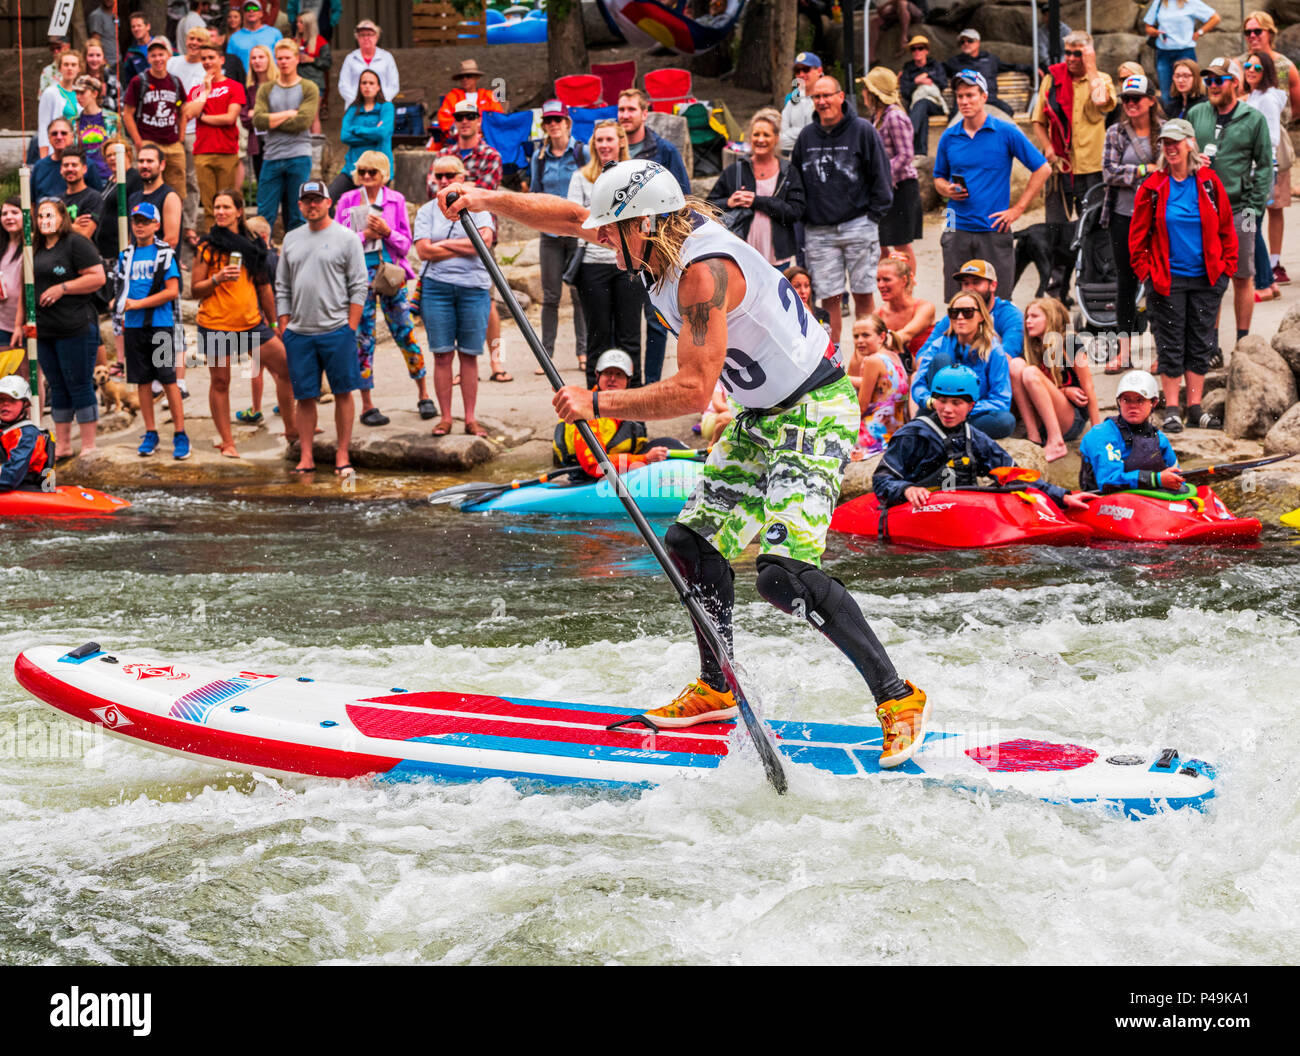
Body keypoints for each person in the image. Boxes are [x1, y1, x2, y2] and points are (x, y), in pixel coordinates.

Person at [441, 159, 930, 766]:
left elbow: (695, 390)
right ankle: (717, 685)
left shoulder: (704, 273)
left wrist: (599, 401)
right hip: (760, 414)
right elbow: (568, 216)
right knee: (690, 543)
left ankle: (898, 696)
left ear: (642, 225)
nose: (602, 239)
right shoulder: (648, 241)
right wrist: (484, 196)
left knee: (783, 577)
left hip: (816, 408)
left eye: (612, 230)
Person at [1130, 118, 1236, 432]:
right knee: (1170, 343)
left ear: (1190, 143)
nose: (1170, 147)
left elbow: (1227, 228)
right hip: (1166, 279)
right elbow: (1137, 238)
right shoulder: (1153, 186)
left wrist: (1225, 270)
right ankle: (1173, 408)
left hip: (1206, 278)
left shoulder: (1209, 182)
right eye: (1165, 142)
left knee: (1200, 342)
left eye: (1176, 141)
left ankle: (1195, 407)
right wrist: (1146, 273)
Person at [876, 364, 1094, 511]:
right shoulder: (913, 435)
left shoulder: (975, 438)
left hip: (961, 513)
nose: (947, 410)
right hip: (917, 512)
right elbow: (882, 479)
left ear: (971, 406)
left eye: (956, 403)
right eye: (942, 401)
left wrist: (1062, 497)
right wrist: (906, 489)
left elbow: (1013, 475)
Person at [192, 188, 296, 458]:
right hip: (216, 324)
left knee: (286, 368)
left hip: (251, 324)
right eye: (216, 208)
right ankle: (228, 442)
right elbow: (195, 289)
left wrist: (275, 325)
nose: (220, 212)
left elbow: (264, 289)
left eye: (226, 207)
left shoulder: (253, 246)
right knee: (221, 382)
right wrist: (217, 279)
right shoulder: (207, 245)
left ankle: (292, 431)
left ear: (239, 211)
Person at [791, 75, 893, 342]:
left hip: (858, 223)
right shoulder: (806, 136)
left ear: (841, 96)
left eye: (827, 95)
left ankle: (867, 352)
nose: (822, 102)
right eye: (817, 97)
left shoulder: (862, 130)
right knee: (829, 298)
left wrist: (874, 217)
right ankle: (834, 362)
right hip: (819, 231)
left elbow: (881, 176)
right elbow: (796, 182)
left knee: (863, 292)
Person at [934, 70, 1051, 302]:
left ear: (984, 97)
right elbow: (938, 177)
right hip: (955, 226)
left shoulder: (1005, 132)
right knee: (957, 299)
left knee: (998, 300)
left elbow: (1043, 169)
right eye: (960, 96)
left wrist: (1018, 209)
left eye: (970, 95)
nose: (965, 101)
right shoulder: (949, 136)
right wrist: (945, 189)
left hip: (993, 228)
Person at [276, 179, 368, 475]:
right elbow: (282, 285)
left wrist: (350, 327)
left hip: (337, 329)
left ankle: (342, 454)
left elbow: (359, 285)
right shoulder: (291, 238)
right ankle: (306, 457)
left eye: (318, 200)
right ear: (300, 205)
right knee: (304, 396)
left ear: (329, 202)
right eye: (307, 200)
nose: (312, 205)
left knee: (343, 391)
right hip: (299, 333)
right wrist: (284, 323)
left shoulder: (347, 238)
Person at [336, 150, 433, 425]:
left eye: (372, 172)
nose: (366, 177)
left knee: (405, 331)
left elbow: (406, 243)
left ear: (383, 176)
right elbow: (337, 241)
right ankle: (367, 404)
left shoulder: (396, 200)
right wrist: (363, 235)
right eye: (362, 172)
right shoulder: (347, 200)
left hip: (388, 271)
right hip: (358, 275)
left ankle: (424, 394)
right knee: (363, 339)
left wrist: (388, 231)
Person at [1187, 58, 1271, 345]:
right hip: (1203, 209)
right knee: (1210, 278)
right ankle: (1210, 344)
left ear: (1234, 83)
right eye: (1208, 80)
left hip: (1240, 209)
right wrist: (1193, 161)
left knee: (1243, 275)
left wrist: (1254, 206)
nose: (1211, 85)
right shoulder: (1196, 114)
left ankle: (1243, 341)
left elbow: (1264, 165)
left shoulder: (1253, 118)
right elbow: (1180, 154)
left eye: (1218, 80)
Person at [1030, 31, 1117, 303]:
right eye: (1067, 52)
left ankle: (1091, 288)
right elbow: (1037, 120)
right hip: (1060, 170)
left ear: (1089, 54)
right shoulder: (1052, 78)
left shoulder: (1102, 80)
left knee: (1093, 229)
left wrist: (1091, 69)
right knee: (1055, 230)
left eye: (1077, 53)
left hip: (1093, 169)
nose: (1070, 58)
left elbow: (1102, 102)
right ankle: (1056, 293)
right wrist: (1048, 147)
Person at [414, 157, 495, 438]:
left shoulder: (478, 206)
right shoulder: (426, 211)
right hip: (438, 287)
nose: (445, 180)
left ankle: (470, 418)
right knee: (442, 354)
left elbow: (483, 242)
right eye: (440, 176)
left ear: (462, 177)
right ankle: (446, 417)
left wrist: (442, 244)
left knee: (470, 355)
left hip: (473, 286)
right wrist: (464, 246)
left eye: (451, 175)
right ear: (433, 179)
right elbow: (423, 251)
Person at [619, 88, 692, 383]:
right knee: (625, 322)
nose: (625, 115)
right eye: (621, 110)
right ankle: (627, 383)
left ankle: (651, 383)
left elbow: (683, 198)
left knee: (656, 320)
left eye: (631, 110)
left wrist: (664, 233)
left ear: (644, 113)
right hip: (622, 247)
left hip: (654, 248)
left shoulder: (664, 151)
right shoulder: (614, 151)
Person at [567, 122, 642, 387]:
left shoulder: (635, 175)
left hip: (629, 265)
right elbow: (576, 219)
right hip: (593, 265)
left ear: (621, 141)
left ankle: (634, 414)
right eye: (599, 140)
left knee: (629, 338)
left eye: (609, 139)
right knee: (597, 337)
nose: (604, 145)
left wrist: (601, 217)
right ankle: (594, 409)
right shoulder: (581, 177)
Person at [437, 99, 508, 382]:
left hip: (482, 232)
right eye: (460, 117)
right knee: (455, 300)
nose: (464, 121)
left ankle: (497, 363)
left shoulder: (491, 155)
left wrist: (453, 186)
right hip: (449, 231)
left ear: (479, 120)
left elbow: (483, 194)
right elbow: (435, 189)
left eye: (470, 116)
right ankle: (463, 369)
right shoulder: (445, 153)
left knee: (488, 302)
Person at [33, 199, 106, 459]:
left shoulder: (76, 243)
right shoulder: (36, 247)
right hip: (45, 329)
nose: (45, 220)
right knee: (57, 386)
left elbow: (98, 277)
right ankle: (63, 444)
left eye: (50, 215)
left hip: (76, 326)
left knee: (79, 384)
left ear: (63, 218)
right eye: (41, 215)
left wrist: (63, 287)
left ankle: (88, 444)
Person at [115, 202, 188, 459]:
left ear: (156, 225)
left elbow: (172, 291)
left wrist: (139, 304)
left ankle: (180, 433)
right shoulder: (125, 255)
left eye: (145, 221)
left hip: (160, 325)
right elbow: (121, 290)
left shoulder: (164, 254)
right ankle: (150, 431)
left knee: (169, 379)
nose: (139, 225)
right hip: (134, 326)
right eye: (136, 221)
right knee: (142, 381)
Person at [1101, 73, 1163, 373]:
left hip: (1158, 218)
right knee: (1125, 282)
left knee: (1156, 282)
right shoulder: (1115, 132)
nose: (1130, 104)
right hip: (1123, 216)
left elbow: (1168, 171)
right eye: (1125, 99)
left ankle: (1159, 350)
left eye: (1136, 98)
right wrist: (1143, 169)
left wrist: (1150, 172)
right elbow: (1108, 173)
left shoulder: (1165, 131)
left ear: (1151, 100)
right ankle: (1123, 352)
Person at [551, 349, 683, 475]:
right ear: (598, 376)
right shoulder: (586, 410)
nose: (613, 378)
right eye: (608, 373)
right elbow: (595, 464)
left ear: (628, 380)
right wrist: (645, 459)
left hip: (617, 464)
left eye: (619, 374)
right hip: (587, 473)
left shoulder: (628, 405)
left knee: (669, 444)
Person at [529, 100, 588, 372]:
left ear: (567, 123)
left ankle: (583, 353)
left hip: (577, 233)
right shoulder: (539, 158)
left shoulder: (582, 153)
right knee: (550, 296)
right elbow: (535, 193)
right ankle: (546, 354)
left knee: (579, 294)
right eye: (548, 121)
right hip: (550, 234)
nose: (553, 125)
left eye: (557, 120)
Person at [705, 108, 804, 270]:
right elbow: (707, 207)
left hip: (778, 258)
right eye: (756, 134)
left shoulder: (789, 172)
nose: (760, 140)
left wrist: (757, 201)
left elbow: (796, 211)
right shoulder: (735, 170)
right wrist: (729, 202)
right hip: (740, 255)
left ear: (776, 138)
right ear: (750, 137)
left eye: (766, 135)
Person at [911, 289, 1015, 439]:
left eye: (967, 312)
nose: (960, 317)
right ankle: (948, 430)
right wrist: (930, 401)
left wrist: (964, 408)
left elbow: (1001, 400)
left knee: (1006, 421)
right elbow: (918, 384)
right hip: (939, 411)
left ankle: (942, 432)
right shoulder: (939, 344)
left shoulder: (994, 351)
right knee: (941, 360)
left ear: (980, 316)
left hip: (972, 413)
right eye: (954, 313)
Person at [1013, 296, 1100, 461]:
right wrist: (1064, 390)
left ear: (1051, 317)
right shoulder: (1031, 348)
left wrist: (1098, 434)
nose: (1028, 321)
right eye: (1027, 317)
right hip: (1042, 418)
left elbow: (1089, 386)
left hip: (1070, 419)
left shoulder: (1069, 341)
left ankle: (1056, 442)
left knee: (1030, 372)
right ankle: (1034, 437)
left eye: (1034, 316)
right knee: (1016, 365)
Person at [254, 38, 320, 234]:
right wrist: (289, 113)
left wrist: (272, 120)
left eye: (287, 58)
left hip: (298, 154)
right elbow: (258, 120)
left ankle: (297, 255)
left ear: (297, 59)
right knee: (264, 213)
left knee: (298, 212)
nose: (283, 62)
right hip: (271, 155)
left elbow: (303, 122)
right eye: (279, 58)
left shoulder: (309, 87)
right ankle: (263, 254)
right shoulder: (266, 88)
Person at [1078, 369, 1182, 493]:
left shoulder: (1159, 439)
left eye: (1140, 400)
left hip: (1143, 501)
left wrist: (1174, 480)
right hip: (1104, 501)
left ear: (1153, 403)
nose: (1133, 406)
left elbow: (1179, 477)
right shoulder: (1100, 434)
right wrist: (1156, 479)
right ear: (1119, 402)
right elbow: (1108, 482)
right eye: (1127, 400)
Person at [182, 42, 246, 236]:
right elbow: (189, 113)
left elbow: (229, 117)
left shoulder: (234, 86)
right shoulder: (197, 90)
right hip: (202, 152)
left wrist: (203, 117)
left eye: (211, 58)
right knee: (210, 206)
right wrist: (207, 90)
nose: (208, 62)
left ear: (221, 60)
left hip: (227, 150)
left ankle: (234, 240)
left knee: (228, 203)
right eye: (204, 59)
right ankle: (213, 242)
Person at [861, 68, 921, 275]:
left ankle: (908, 284)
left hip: (900, 187)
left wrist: (882, 178)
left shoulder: (895, 117)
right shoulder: (875, 117)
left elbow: (906, 155)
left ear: (875, 93)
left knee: (900, 243)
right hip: (882, 188)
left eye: (866, 89)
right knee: (879, 240)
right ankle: (890, 278)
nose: (863, 93)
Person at [1243, 51, 1287, 302]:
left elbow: (1272, 138)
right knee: (1251, 228)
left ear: (1266, 70)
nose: (1250, 70)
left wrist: (1242, 139)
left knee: (1250, 228)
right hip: (1252, 172)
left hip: (1259, 173)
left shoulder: (1267, 99)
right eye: (1247, 65)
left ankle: (1263, 283)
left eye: (1256, 67)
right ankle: (1268, 282)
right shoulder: (1255, 96)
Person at [122, 38, 188, 201]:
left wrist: (181, 136)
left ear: (168, 56)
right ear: (148, 58)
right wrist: (138, 141)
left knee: (178, 189)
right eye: (153, 55)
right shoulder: (139, 82)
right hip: (149, 140)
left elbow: (182, 109)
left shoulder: (175, 81)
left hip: (172, 142)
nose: (158, 59)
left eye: (161, 54)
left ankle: (177, 223)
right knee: (148, 185)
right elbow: (127, 113)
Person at [849, 314, 909, 458]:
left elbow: (861, 407)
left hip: (874, 434)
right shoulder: (893, 356)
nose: (859, 341)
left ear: (882, 337)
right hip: (896, 428)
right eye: (856, 336)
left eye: (865, 335)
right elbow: (880, 388)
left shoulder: (872, 361)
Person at [331, 69, 394, 202]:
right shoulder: (353, 109)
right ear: (359, 86)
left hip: (378, 170)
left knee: (373, 208)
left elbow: (382, 134)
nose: (367, 86)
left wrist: (357, 129)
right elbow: (344, 136)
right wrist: (373, 132)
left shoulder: (386, 107)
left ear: (378, 87)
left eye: (371, 83)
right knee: (329, 198)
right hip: (353, 169)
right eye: (364, 83)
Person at [1144, 0, 1220, 108]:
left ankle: (1192, 117)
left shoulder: (1191, 2)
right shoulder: (1159, 2)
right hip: (1164, 53)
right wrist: (1157, 33)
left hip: (1185, 51)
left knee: (1192, 91)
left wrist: (1199, 32)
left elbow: (1215, 18)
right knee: (1166, 94)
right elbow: (1148, 27)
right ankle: (1171, 120)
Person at [942, 28, 1028, 119]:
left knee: (1007, 111)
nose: (966, 44)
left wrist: (1034, 69)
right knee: (953, 117)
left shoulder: (990, 59)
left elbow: (1012, 66)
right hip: (965, 100)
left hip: (988, 99)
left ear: (978, 43)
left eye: (970, 41)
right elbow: (937, 69)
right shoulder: (954, 61)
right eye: (962, 42)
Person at [874, 254, 934, 372]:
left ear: (904, 280)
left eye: (886, 279)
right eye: (878, 280)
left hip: (924, 369)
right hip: (892, 373)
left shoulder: (924, 307)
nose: (880, 285)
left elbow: (907, 333)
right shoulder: (877, 315)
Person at [0, 377, 54, 492]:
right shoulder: (4, 430)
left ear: (26, 403)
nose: (5, 404)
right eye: (1, 400)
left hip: (24, 487)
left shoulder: (27, 435)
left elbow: (10, 478)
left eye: (12, 400)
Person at [32, 119, 106, 203]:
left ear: (72, 137)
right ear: (49, 138)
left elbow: (97, 198)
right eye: (54, 134)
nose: (59, 137)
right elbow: (32, 202)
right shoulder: (39, 167)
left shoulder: (88, 165)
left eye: (63, 133)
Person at [899, 35, 948, 157]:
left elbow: (943, 84)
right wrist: (916, 82)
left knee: (923, 103)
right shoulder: (908, 68)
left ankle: (909, 134)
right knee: (922, 113)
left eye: (920, 48)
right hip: (917, 106)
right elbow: (904, 91)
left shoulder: (935, 65)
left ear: (926, 50)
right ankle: (921, 155)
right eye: (913, 49)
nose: (917, 52)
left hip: (936, 104)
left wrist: (929, 77)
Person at [434, 58, 503, 140]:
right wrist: (466, 129)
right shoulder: (452, 96)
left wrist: (482, 127)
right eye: (462, 77)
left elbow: (499, 117)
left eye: (468, 76)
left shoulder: (488, 96)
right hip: (459, 138)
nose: (464, 79)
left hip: (486, 137)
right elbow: (443, 119)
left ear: (477, 78)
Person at [337, 19, 399, 109]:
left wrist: (380, 101)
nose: (366, 38)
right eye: (362, 35)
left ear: (376, 37)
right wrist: (358, 101)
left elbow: (393, 85)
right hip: (355, 107)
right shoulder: (350, 58)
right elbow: (343, 85)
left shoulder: (387, 57)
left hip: (382, 106)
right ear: (357, 38)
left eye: (370, 34)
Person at [74, 76, 119, 187]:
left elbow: (119, 148)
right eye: (77, 93)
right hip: (84, 178)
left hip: (108, 176)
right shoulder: (74, 121)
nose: (79, 97)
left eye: (82, 93)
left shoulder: (112, 119)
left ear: (94, 93)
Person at [38, 48, 84, 157]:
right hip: (58, 149)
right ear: (59, 68)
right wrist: (44, 157)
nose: (69, 68)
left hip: (78, 150)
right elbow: (43, 125)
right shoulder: (50, 93)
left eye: (73, 65)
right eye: (66, 64)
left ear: (79, 69)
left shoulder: (81, 92)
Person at [779, 51, 824, 156]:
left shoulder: (828, 97)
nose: (801, 74)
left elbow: (816, 136)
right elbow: (781, 132)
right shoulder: (793, 99)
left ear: (819, 70)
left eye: (806, 69)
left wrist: (792, 133)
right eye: (797, 71)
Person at [295, 9, 331, 134]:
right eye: (297, 22)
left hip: (315, 83)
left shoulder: (321, 42)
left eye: (301, 22)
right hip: (297, 83)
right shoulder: (294, 42)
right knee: (300, 115)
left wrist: (312, 59)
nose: (298, 25)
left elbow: (327, 63)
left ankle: (316, 147)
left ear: (308, 24)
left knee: (313, 115)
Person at [242, 44, 275, 182]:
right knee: (263, 184)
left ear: (269, 59)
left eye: (261, 57)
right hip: (257, 143)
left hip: (277, 142)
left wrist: (256, 113)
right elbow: (244, 118)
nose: (257, 61)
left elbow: (282, 112)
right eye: (253, 58)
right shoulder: (249, 88)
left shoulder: (278, 85)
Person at [59, 147, 103, 243]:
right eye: (66, 165)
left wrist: (59, 223)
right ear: (61, 170)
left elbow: (85, 233)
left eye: (74, 165)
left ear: (84, 169)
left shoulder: (94, 198)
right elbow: (47, 228)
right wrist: (74, 225)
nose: (70, 169)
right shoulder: (56, 201)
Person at [0, 199, 27, 354]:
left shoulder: (33, 245)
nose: (9, 217)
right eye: (4, 214)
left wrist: (20, 325)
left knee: (26, 375)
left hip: (24, 323)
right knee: (4, 374)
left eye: (15, 212)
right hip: (2, 322)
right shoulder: (2, 245)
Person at [228, 0, 282, 72]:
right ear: (243, 14)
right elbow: (230, 65)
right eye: (247, 9)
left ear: (261, 13)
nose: (251, 11)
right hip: (244, 81)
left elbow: (282, 59)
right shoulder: (234, 38)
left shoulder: (275, 33)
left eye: (255, 8)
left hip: (271, 80)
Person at [784, 264, 832, 337]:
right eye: (797, 286)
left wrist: (810, 319)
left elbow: (824, 341)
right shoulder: (780, 316)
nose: (803, 291)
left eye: (806, 286)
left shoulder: (823, 314)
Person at [83, 38, 122, 116]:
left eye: (98, 55)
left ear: (104, 59)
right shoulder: (80, 79)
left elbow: (120, 104)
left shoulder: (112, 78)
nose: (95, 59)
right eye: (91, 55)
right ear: (85, 57)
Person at [86, 0, 120, 74]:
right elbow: (95, 42)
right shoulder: (97, 16)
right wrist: (102, 60)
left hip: (117, 60)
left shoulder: (115, 15)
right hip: (106, 62)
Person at [123, 13, 153, 84]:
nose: (136, 29)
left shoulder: (161, 44)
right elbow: (128, 81)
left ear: (148, 26)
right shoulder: (130, 53)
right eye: (133, 27)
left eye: (139, 26)